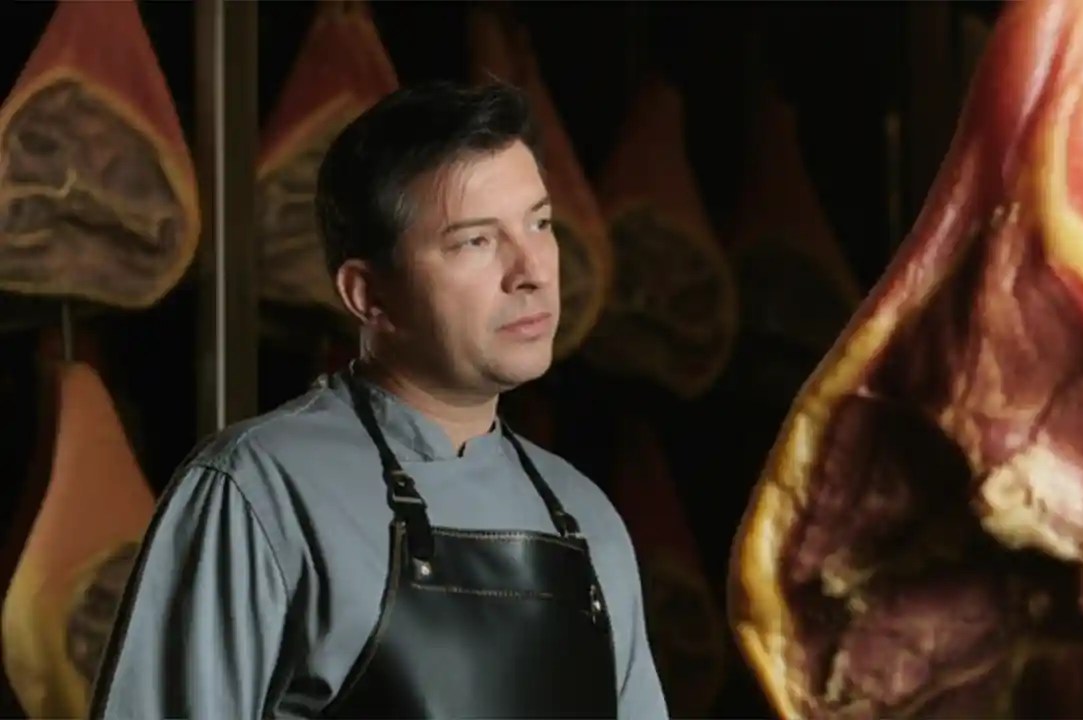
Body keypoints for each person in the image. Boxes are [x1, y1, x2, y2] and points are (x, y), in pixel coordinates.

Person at [87, 80, 669, 719]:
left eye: (539, 223)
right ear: (367, 295)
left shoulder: (588, 521)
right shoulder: (259, 491)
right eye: (475, 241)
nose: (531, 270)